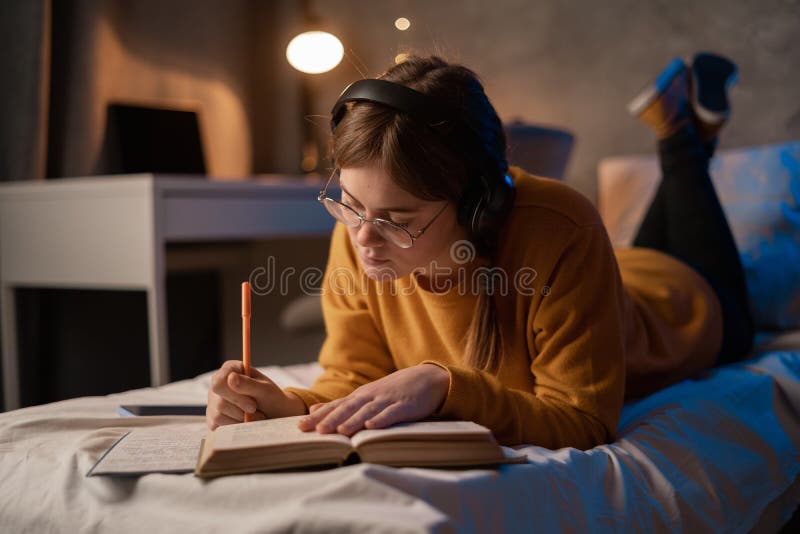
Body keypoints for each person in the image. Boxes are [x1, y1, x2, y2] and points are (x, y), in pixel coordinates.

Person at [206, 53, 754, 449]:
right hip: (617, 274)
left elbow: (584, 421)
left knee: (693, 210)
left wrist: (447, 387)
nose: (363, 239)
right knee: (674, 198)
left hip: (687, 306)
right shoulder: (361, 227)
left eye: (400, 221)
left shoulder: (563, 227)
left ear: (476, 207)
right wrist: (291, 405)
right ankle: (689, 130)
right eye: (348, 206)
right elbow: (353, 376)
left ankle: (683, 134)